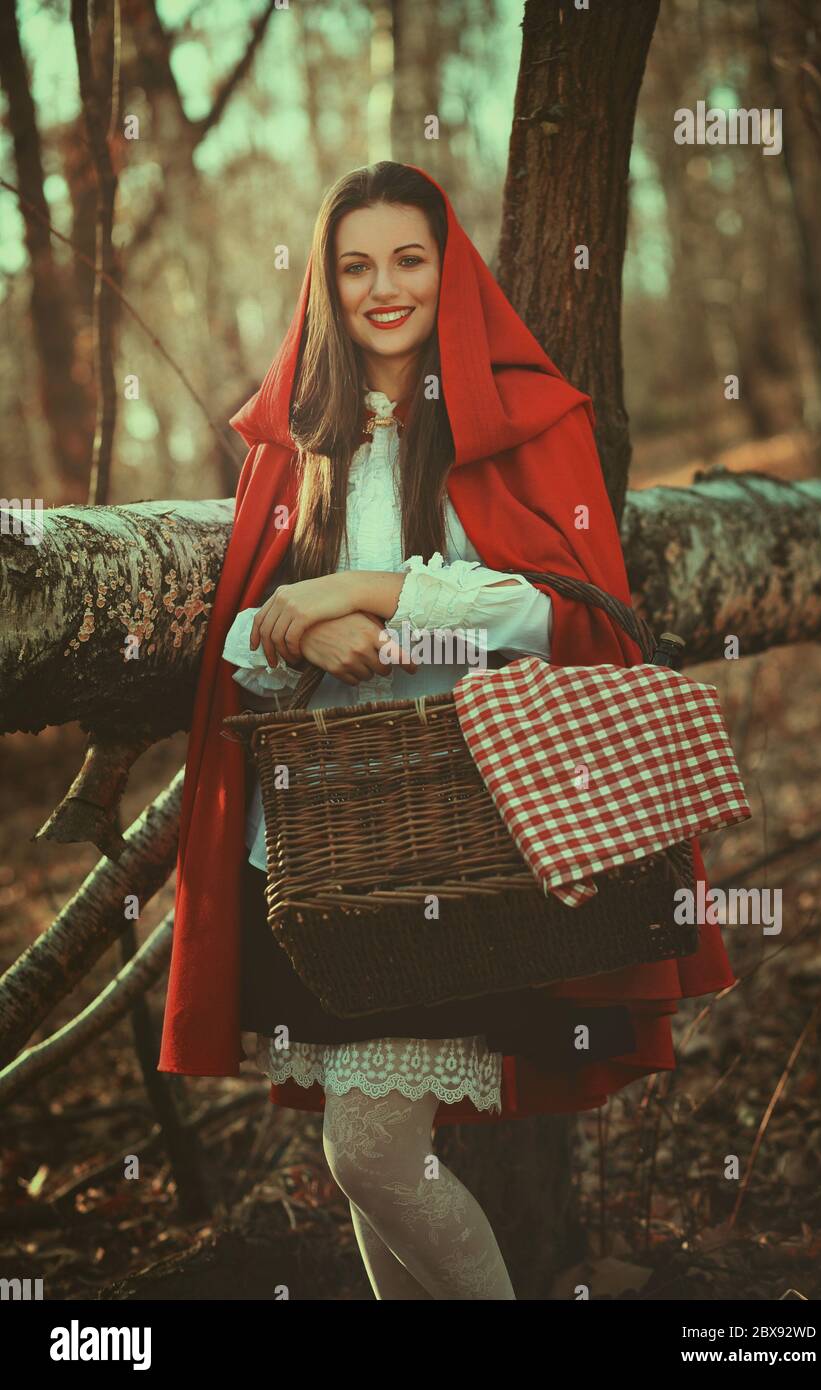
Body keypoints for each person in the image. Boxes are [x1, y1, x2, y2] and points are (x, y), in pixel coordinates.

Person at [158, 162, 735, 1300]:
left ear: (447, 267)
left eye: (408, 260)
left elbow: (548, 618)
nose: (383, 287)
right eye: (356, 264)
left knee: (365, 1150)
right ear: (325, 282)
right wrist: (302, 636)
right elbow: (245, 650)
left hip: (464, 843)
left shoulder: (518, 421)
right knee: (374, 1157)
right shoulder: (299, 447)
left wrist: (368, 591)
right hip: (323, 862)